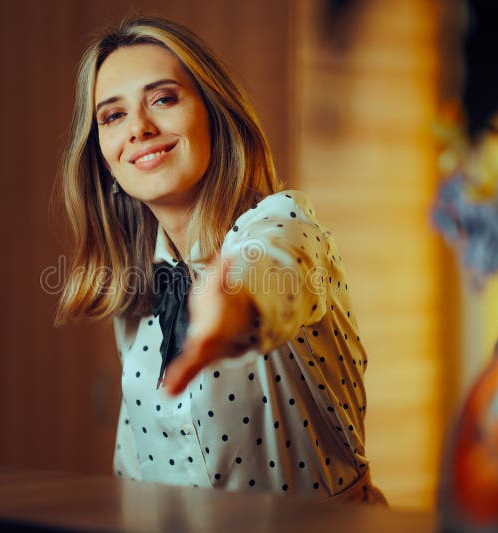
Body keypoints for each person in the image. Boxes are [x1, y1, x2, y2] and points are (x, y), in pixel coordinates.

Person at [53, 15, 386, 504]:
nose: (140, 129)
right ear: (104, 159)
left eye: (163, 99)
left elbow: (273, 271)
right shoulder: (140, 295)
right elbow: (133, 474)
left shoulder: (285, 221)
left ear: (214, 114)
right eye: (112, 116)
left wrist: (232, 306)